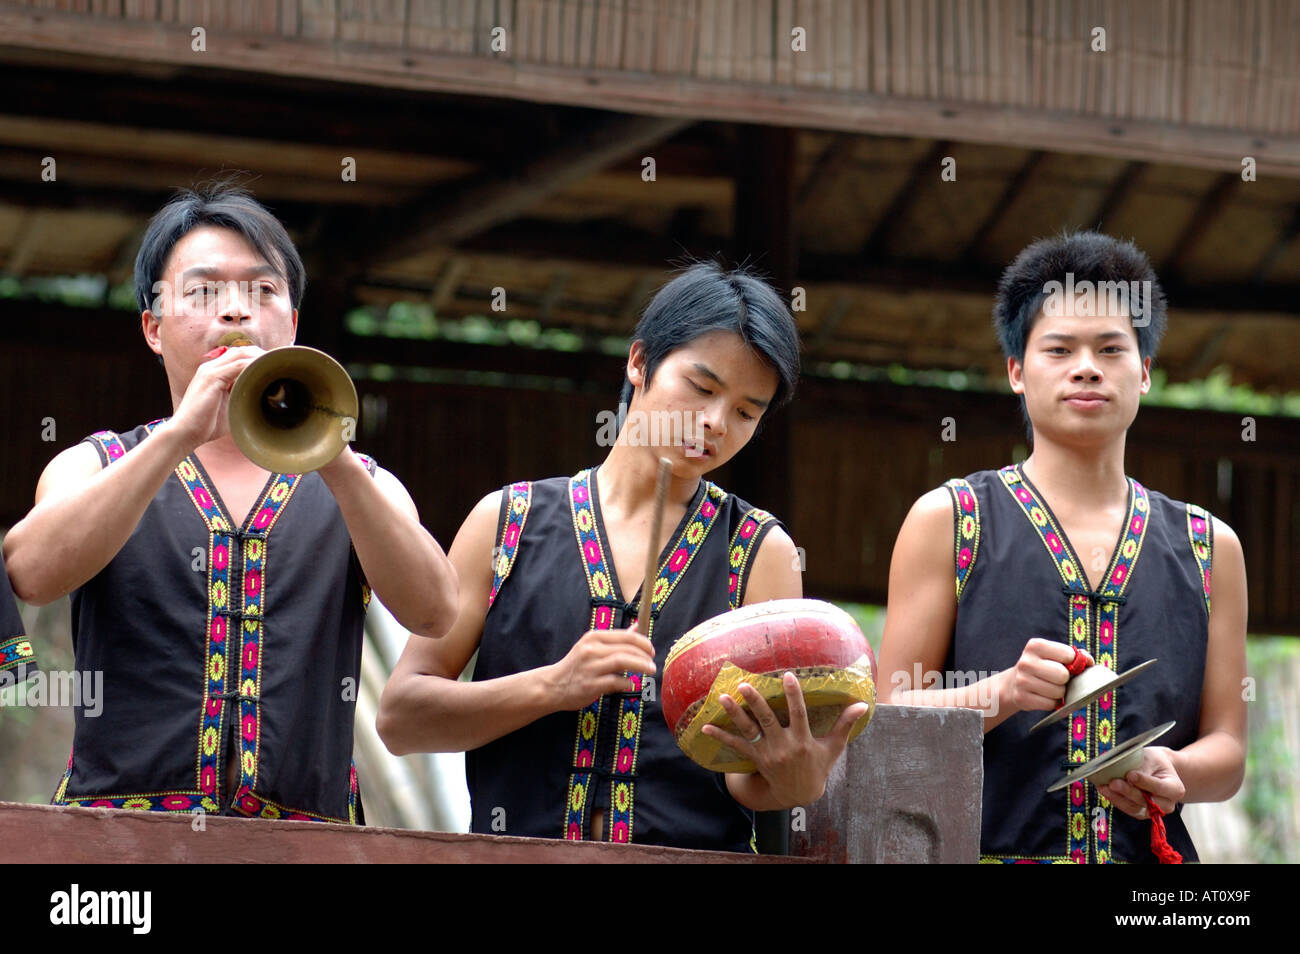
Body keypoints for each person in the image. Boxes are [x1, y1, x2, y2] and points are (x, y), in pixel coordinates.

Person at [2, 183, 458, 823]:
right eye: (204, 292)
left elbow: (437, 613)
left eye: (264, 291)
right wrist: (182, 434)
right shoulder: (93, 464)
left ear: (292, 326)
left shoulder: (366, 483)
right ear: (153, 329)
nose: (237, 312)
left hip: (307, 845)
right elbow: (28, 572)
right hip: (119, 842)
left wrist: (334, 456)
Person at [377, 263, 868, 851]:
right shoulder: (507, 522)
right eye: (703, 388)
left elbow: (745, 778)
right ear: (639, 362)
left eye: (746, 412)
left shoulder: (760, 552)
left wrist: (794, 778)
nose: (714, 423)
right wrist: (554, 686)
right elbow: (401, 719)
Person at [877, 231, 1248, 863]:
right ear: (1017, 372)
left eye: (1111, 348)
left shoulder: (1210, 545)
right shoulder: (951, 519)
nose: (1086, 366)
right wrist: (1001, 692)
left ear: (1146, 372)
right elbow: (886, 718)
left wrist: (1173, 769)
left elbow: (1229, 750)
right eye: (1059, 349)